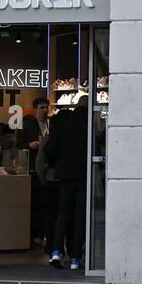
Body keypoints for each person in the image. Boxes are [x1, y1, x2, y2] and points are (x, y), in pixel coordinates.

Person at [43, 97, 89, 270]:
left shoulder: (62, 125)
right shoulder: (90, 124)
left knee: (62, 215)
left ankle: (56, 251)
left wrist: (57, 165)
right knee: (80, 218)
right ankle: (76, 257)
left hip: (64, 176)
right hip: (84, 176)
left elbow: (50, 151)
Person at [19, 97, 52, 247]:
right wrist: (30, 144)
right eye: (42, 107)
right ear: (35, 109)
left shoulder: (51, 123)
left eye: (46, 107)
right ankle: (35, 234)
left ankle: (43, 233)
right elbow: (19, 144)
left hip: (48, 166)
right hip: (33, 166)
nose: (45, 110)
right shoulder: (27, 125)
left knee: (46, 203)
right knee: (36, 203)